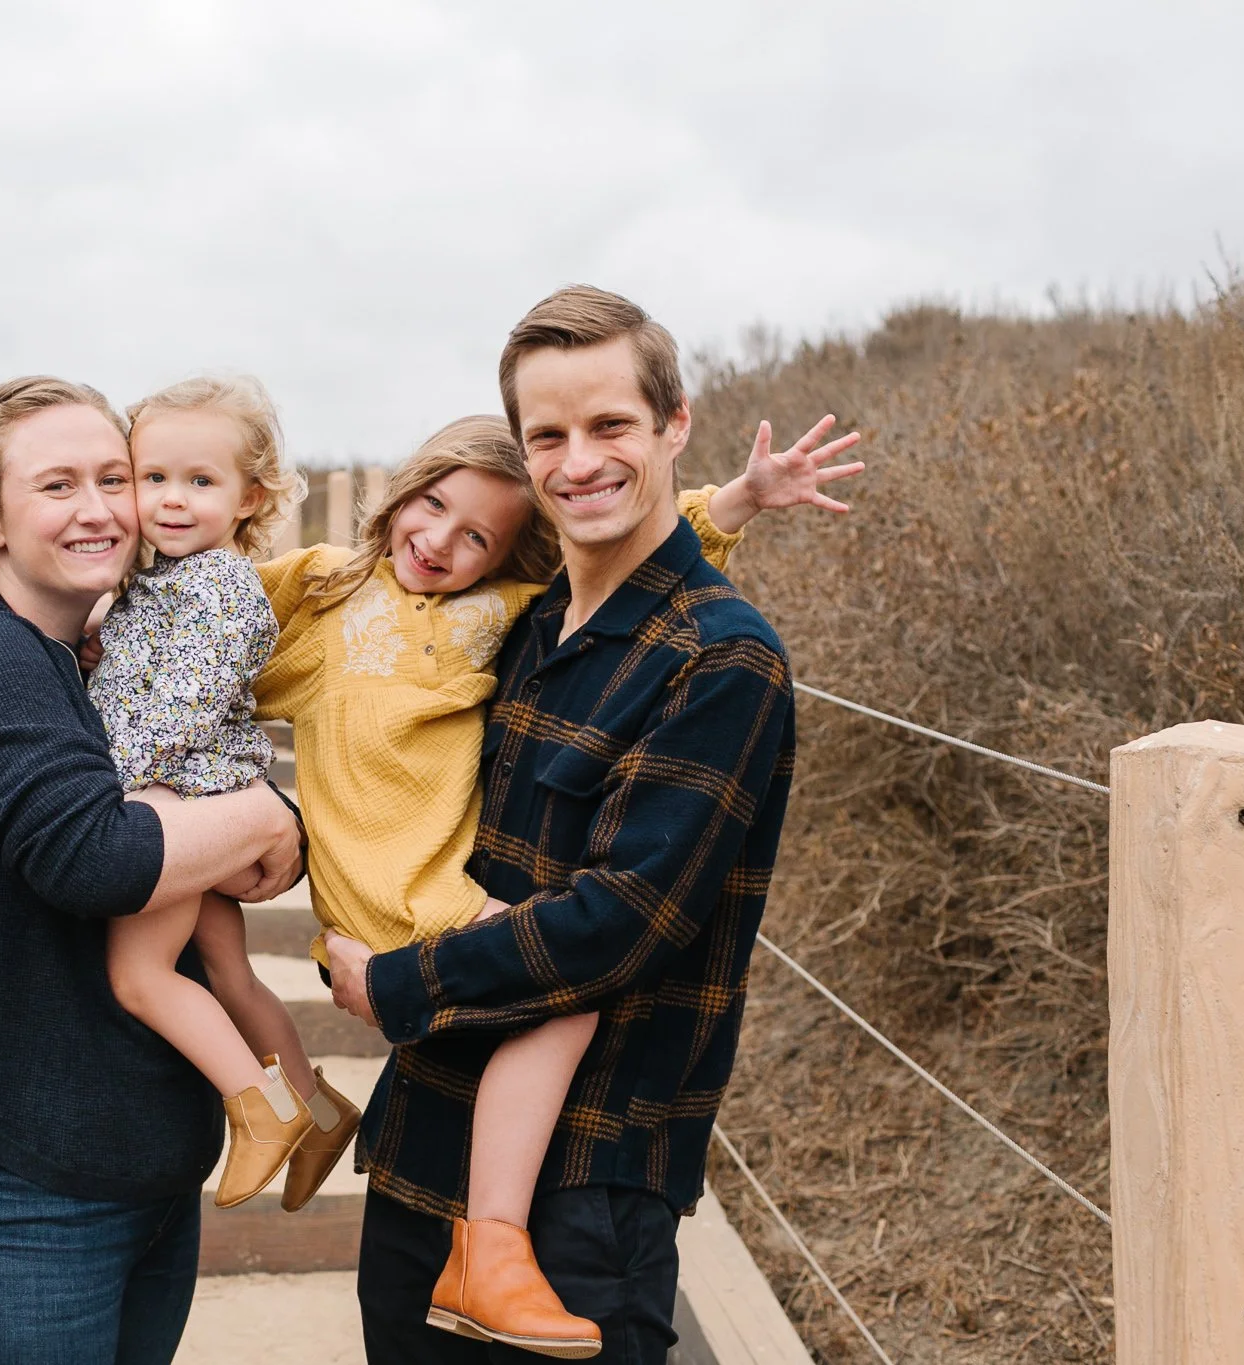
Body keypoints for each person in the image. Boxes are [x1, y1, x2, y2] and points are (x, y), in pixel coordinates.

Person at [327, 285, 844, 1360]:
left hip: (581, 1187)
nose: (578, 461)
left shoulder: (719, 659)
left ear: (673, 426)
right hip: (425, 1140)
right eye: (546, 436)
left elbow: (622, 920)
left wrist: (399, 984)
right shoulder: (519, 630)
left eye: (609, 425)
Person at [248, 416, 796, 1355]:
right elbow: (207, 628)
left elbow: (631, 561)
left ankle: (486, 1236)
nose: (441, 543)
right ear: (401, 491)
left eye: (478, 539)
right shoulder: (329, 604)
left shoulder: (508, 617)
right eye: (432, 507)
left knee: (564, 988)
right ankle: (481, 1231)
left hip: (450, 927)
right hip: (396, 919)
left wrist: (734, 502)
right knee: (559, 996)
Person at [0, 375, 304, 1363]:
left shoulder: (89, 656)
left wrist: (273, 823)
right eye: (57, 486)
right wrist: (267, 811)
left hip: (137, 1176)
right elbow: (95, 860)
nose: (98, 509)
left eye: (112, 477)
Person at [92, 375, 355, 1211]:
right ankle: (316, 1111)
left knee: (140, 974)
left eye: (200, 482)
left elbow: (187, 703)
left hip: (177, 795)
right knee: (230, 975)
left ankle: (259, 1108)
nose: (172, 500)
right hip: (196, 790)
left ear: (251, 497)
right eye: (153, 477)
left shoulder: (216, 584)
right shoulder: (158, 582)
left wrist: (101, 783)